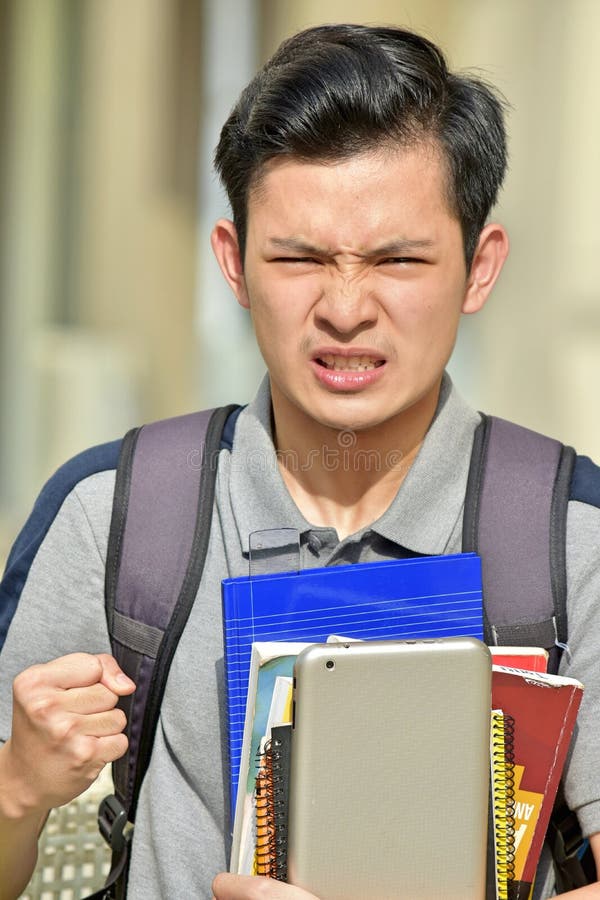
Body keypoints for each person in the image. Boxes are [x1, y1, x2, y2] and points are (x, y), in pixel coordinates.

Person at [1, 22, 599, 900]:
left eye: (398, 259)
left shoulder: (573, 537)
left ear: (478, 266)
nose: (346, 309)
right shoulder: (115, 514)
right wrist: (20, 786)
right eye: (299, 258)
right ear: (235, 265)